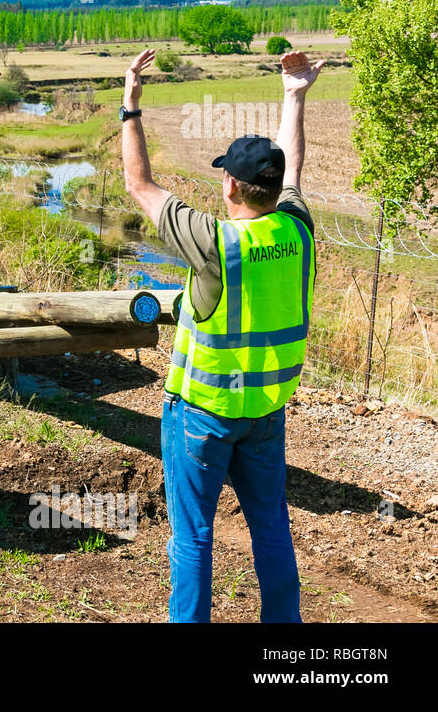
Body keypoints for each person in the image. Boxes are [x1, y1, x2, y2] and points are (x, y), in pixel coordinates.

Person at [120, 48, 325, 623]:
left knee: (192, 539)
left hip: (201, 415)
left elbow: (139, 184)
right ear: (273, 188)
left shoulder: (215, 244)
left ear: (231, 187)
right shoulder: (299, 230)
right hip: (265, 411)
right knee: (272, 533)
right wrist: (294, 94)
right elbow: (295, 171)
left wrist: (129, 105)